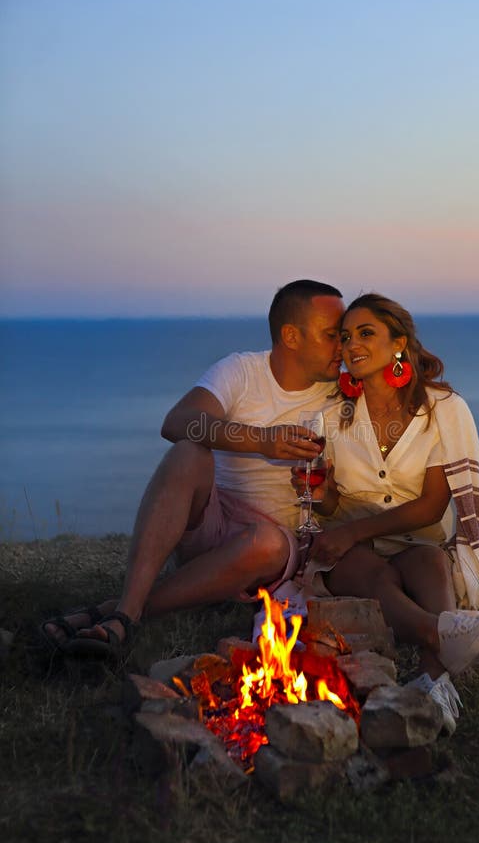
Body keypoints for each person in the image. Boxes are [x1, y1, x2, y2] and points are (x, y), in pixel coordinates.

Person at [41, 280, 345, 658]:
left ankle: (118, 613)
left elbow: (333, 503)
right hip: (211, 523)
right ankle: (130, 608)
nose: (343, 347)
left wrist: (326, 496)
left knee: (266, 543)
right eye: (332, 335)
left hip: (270, 545)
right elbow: (178, 421)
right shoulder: (243, 371)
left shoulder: (341, 397)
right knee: (189, 453)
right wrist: (260, 440)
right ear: (291, 336)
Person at [290, 293, 479, 734]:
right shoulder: (333, 417)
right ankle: (444, 643)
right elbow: (331, 505)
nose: (351, 343)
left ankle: (434, 669)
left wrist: (353, 530)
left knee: (430, 561)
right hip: (353, 552)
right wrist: (318, 495)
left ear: (398, 343)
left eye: (366, 333)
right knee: (376, 576)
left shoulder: (441, 409)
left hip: (416, 539)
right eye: (346, 336)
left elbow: (432, 507)